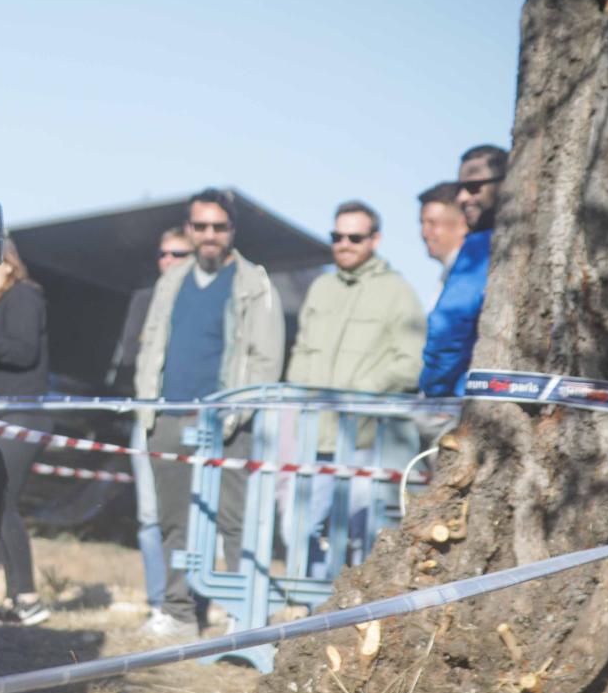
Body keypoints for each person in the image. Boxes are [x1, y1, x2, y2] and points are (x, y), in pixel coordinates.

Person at [134, 189, 285, 632]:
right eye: (200, 227)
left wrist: (232, 414)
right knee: (173, 522)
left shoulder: (254, 282)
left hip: (227, 425)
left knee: (234, 522)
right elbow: (152, 345)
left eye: (219, 227)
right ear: (189, 230)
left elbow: (265, 360)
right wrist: (150, 409)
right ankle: (179, 612)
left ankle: (245, 615)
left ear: (231, 231)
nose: (209, 235)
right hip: (167, 418)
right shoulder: (172, 279)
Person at [279, 201, 425, 570]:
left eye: (354, 237)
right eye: (337, 236)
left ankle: (348, 618)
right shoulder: (321, 287)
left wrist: (360, 391)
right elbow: (301, 352)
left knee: (362, 539)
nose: (344, 244)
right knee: (297, 529)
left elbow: (411, 362)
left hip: (365, 441)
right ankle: (311, 612)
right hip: (314, 438)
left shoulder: (398, 291)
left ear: (374, 239)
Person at [108, 227, 193, 633]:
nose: (169, 261)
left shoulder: (201, 303)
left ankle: (187, 601)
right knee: (148, 515)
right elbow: (127, 354)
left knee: (189, 517)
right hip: (147, 417)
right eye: (164, 254)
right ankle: (161, 602)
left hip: (192, 422)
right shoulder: (145, 298)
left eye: (179, 253)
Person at [0, 239, 51, 625]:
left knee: (1, 501)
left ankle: (28, 598)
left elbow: (23, 353)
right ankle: (11, 595)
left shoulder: (24, 297)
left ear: (10, 264)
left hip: (22, 418)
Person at [419, 145, 504, 397]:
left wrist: (433, 388)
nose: (462, 198)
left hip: (466, 405)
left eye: (474, 187)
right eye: (459, 189)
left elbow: (450, 328)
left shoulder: (481, 245)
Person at [418, 182, 468, 275]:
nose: (424, 234)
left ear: (462, 225)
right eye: (422, 223)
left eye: (432, 223)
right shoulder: (450, 276)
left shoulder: (472, 276)